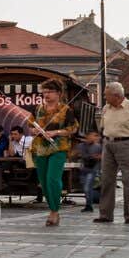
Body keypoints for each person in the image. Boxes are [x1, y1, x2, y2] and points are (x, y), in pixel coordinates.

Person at [26, 79, 78, 227]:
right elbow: (30, 125)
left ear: (59, 93)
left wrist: (56, 132)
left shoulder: (66, 110)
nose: (46, 94)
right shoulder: (37, 109)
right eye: (44, 92)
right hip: (40, 148)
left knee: (52, 179)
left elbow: (73, 128)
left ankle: (54, 212)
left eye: (50, 92)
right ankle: (52, 208)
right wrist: (34, 130)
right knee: (43, 182)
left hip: (58, 148)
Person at [96, 81, 129, 224]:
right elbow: (102, 127)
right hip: (109, 143)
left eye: (106, 95)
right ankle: (105, 215)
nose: (104, 98)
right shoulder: (106, 108)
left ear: (116, 96)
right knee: (107, 180)